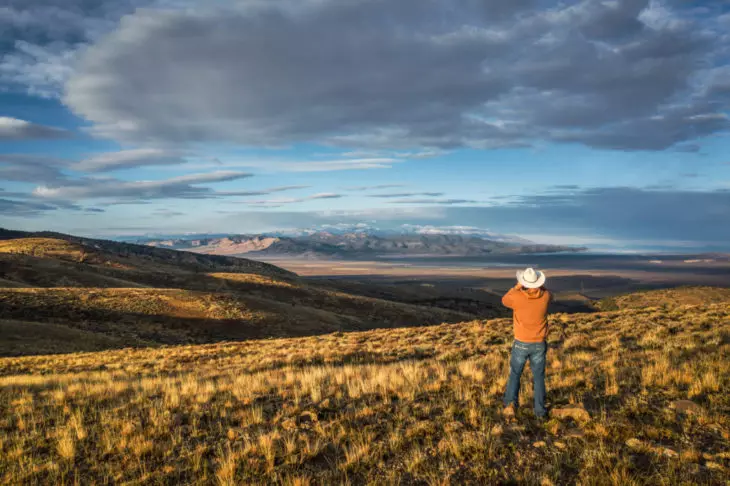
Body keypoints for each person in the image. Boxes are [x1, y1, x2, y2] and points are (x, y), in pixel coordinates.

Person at [501, 267, 552, 420]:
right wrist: (539, 286)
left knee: (515, 374)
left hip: (521, 342)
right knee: (538, 377)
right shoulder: (546, 297)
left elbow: (504, 300)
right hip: (539, 343)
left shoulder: (517, 297)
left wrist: (517, 286)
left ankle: (510, 404)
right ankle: (540, 411)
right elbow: (547, 292)